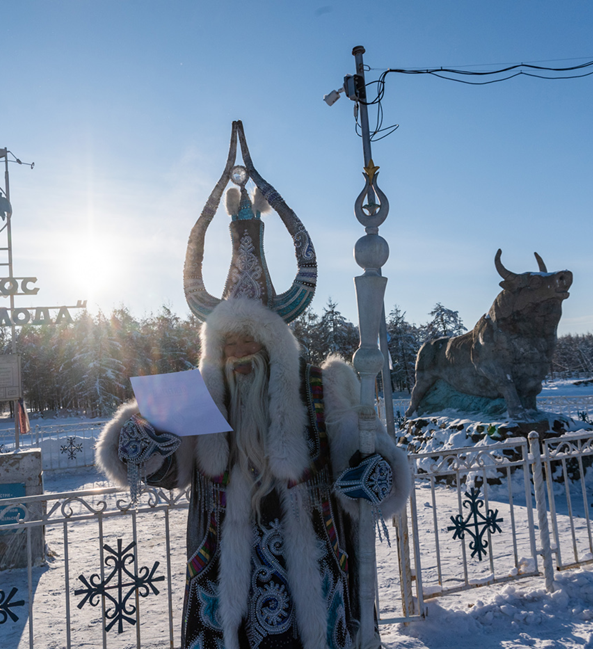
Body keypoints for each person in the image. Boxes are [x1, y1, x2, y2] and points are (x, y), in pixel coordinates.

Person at [96, 122, 411, 649]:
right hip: (222, 578)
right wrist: (139, 442)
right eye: (229, 346)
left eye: (250, 343)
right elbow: (168, 467)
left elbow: (361, 453)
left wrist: (373, 472)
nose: (239, 355)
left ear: (273, 346)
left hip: (311, 574)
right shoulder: (200, 396)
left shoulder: (323, 387)